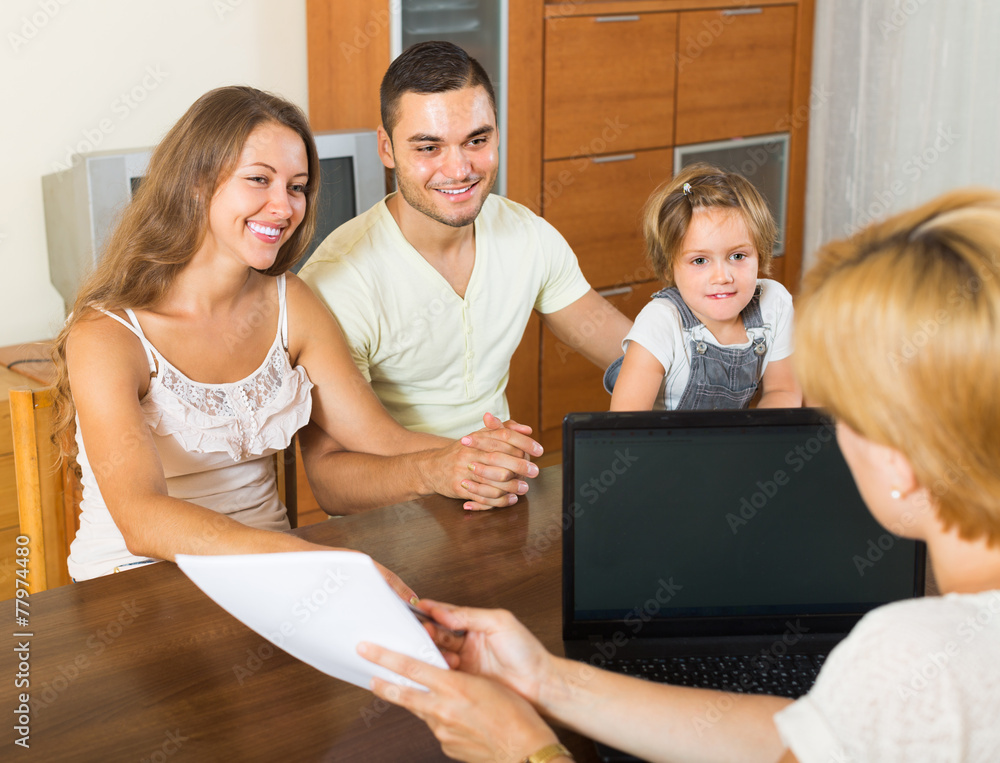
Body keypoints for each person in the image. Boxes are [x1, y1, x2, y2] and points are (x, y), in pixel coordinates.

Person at [359, 188, 1000, 762]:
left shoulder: (916, 659)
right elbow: (804, 735)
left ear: (901, 460)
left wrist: (526, 749)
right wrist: (545, 680)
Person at [51, 85, 542, 582]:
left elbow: (378, 438)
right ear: (195, 183)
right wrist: (308, 561)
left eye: (297, 186)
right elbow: (142, 518)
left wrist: (468, 460)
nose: (283, 207)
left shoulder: (291, 302)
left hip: (271, 574)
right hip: (137, 577)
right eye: (259, 180)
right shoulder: (106, 335)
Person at [299, 41, 633, 441]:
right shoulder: (339, 280)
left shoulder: (527, 235)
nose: (459, 169)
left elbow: (633, 355)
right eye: (428, 147)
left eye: (477, 141)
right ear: (386, 148)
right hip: (397, 500)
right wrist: (460, 468)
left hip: (502, 483)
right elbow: (334, 482)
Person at [608, 163, 801, 411]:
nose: (722, 277)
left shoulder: (774, 304)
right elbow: (625, 427)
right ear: (668, 268)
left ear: (760, 254)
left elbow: (782, 390)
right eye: (699, 260)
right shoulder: (660, 322)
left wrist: (754, 445)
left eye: (738, 256)